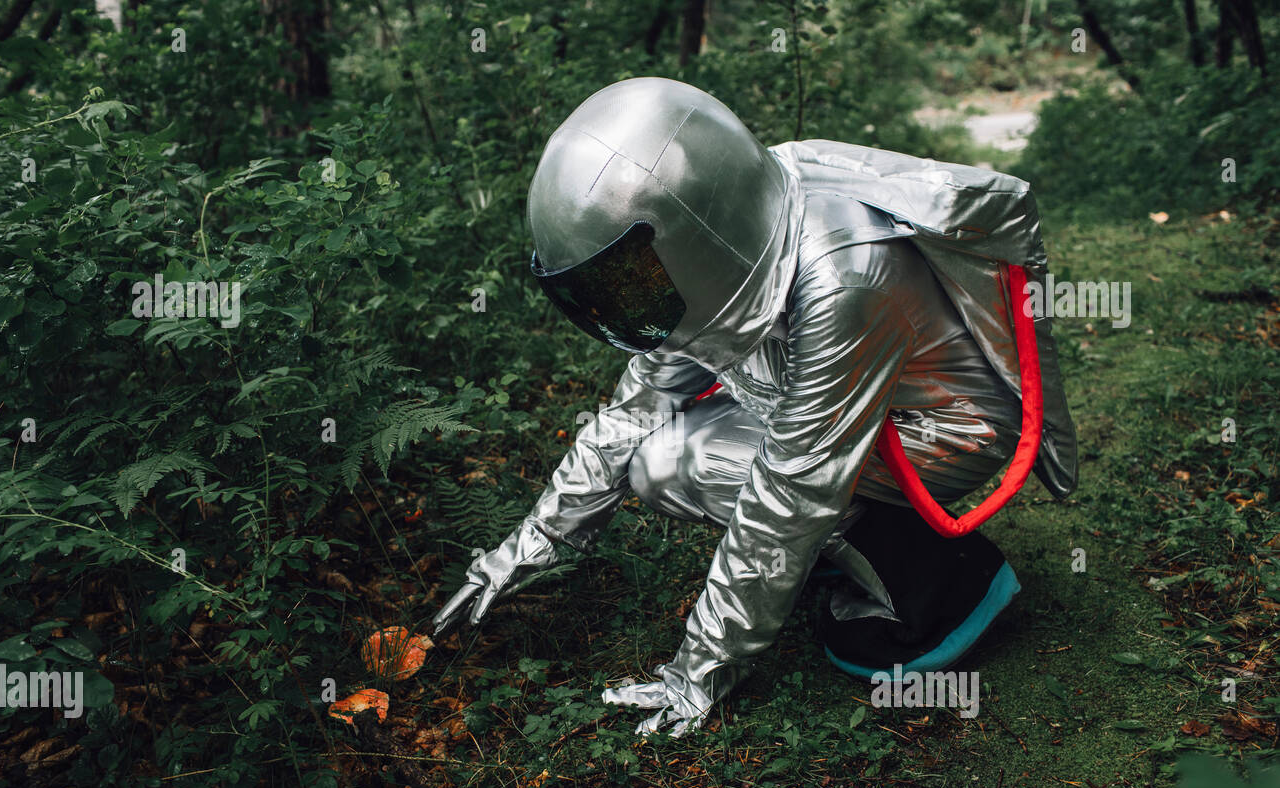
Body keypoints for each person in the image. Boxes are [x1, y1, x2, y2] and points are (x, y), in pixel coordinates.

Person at [433, 77, 1078, 736]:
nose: (623, 298)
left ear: (678, 241)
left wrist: (698, 670)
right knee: (657, 461)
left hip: (947, 425)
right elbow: (634, 411)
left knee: (698, 462)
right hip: (872, 408)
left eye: (627, 275)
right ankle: (842, 543)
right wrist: (520, 551)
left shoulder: (844, 278)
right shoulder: (729, 236)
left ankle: (940, 585)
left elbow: (790, 491)